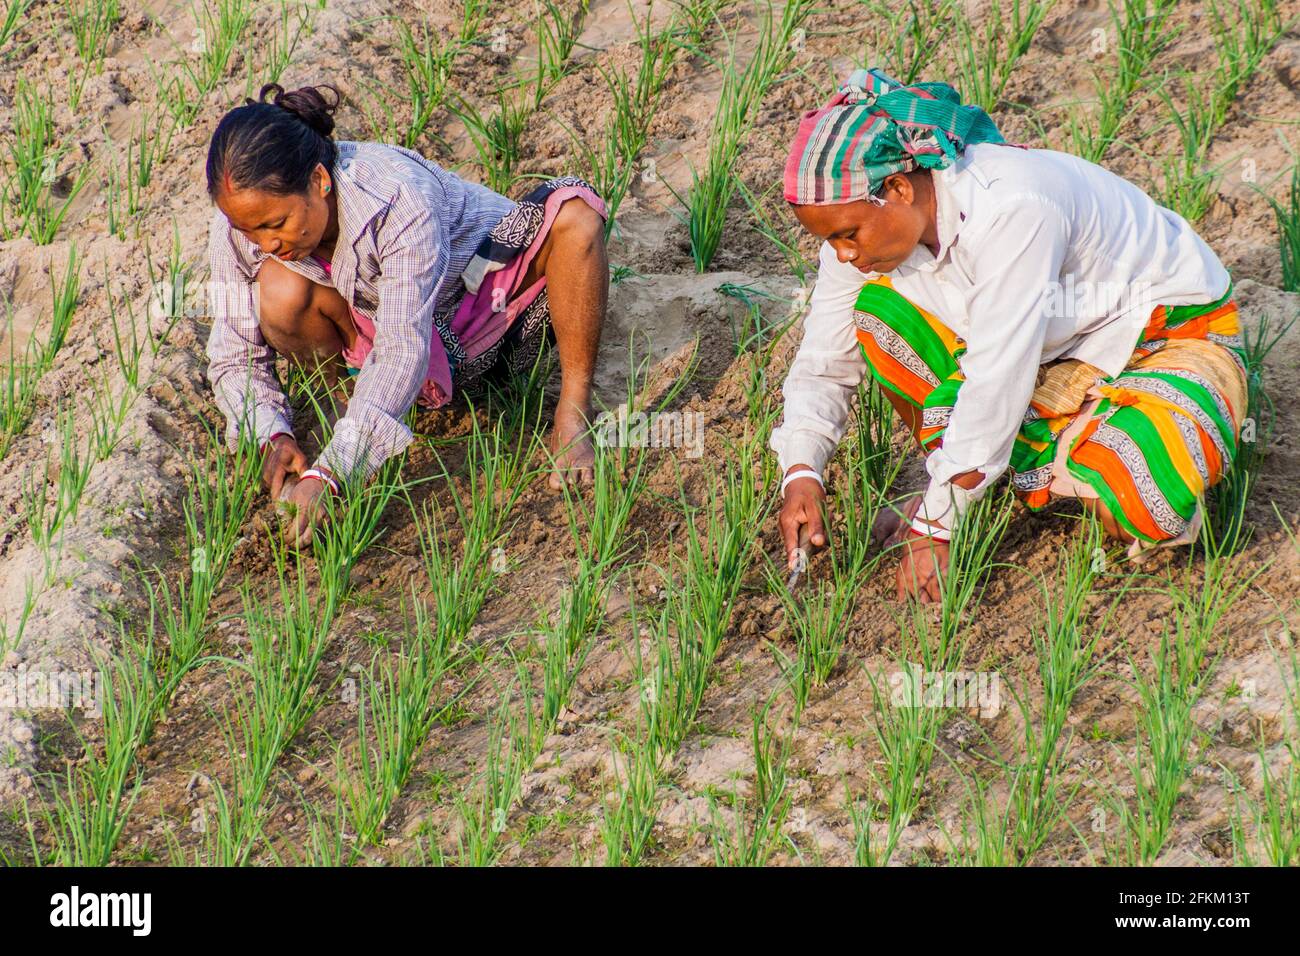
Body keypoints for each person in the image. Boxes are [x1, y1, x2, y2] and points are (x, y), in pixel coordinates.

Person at [772, 68, 1249, 602]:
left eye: (847, 234)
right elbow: (823, 363)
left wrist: (936, 525)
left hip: (1156, 337)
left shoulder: (1012, 209)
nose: (842, 254)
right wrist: (801, 470)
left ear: (899, 189)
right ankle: (998, 472)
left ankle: (1007, 476)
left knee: (1138, 488)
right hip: (1044, 354)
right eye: (830, 240)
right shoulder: (859, 240)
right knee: (877, 310)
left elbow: (998, 373)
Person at [205, 84, 609, 546]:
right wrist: (270, 438)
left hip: (486, 312)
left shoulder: (397, 197)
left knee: (575, 216)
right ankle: (352, 410)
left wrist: (335, 474)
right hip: (380, 332)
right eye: (249, 229)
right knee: (279, 288)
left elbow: (402, 347)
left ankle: (573, 414)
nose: (265, 242)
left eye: (276, 224)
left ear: (319, 181)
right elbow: (234, 354)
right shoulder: (240, 227)